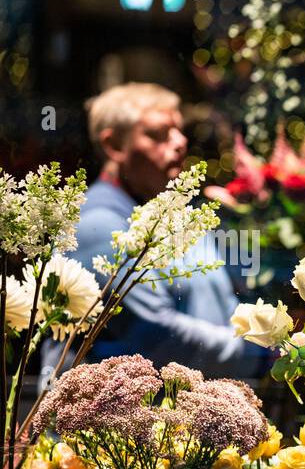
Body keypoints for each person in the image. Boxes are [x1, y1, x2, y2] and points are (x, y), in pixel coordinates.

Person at [59, 82, 264, 378]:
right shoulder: (96, 224)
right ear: (114, 146)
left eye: (179, 130)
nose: (180, 141)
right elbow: (155, 333)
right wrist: (258, 353)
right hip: (125, 420)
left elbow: (225, 298)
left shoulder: (174, 214)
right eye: (158, 134)